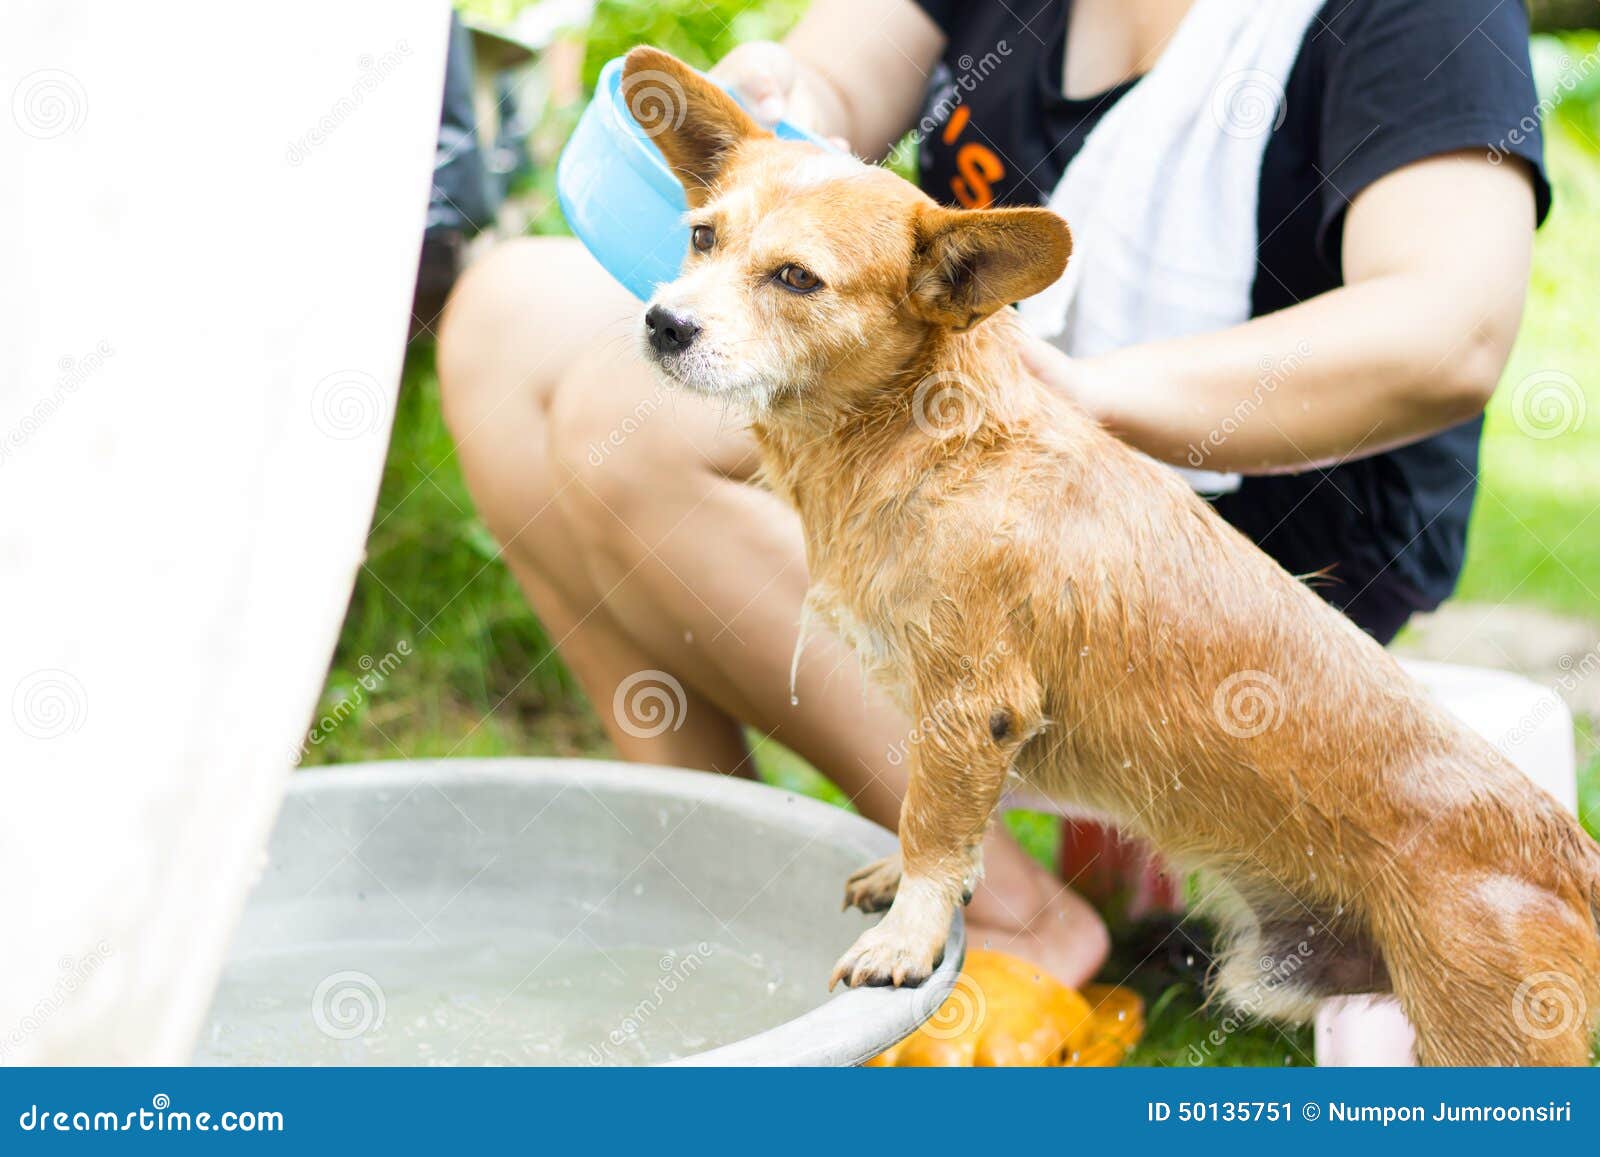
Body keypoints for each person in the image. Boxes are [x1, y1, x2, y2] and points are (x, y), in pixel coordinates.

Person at [436, 0, 1546, 987]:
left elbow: (1446, 332)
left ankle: (1004, 912)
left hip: (1247, 524)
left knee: (613, 422)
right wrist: (781, 102)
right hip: (946, 415)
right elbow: (826, 85)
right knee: (500, 312)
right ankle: (708, 870)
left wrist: (1092, 393)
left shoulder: (1412, 15)